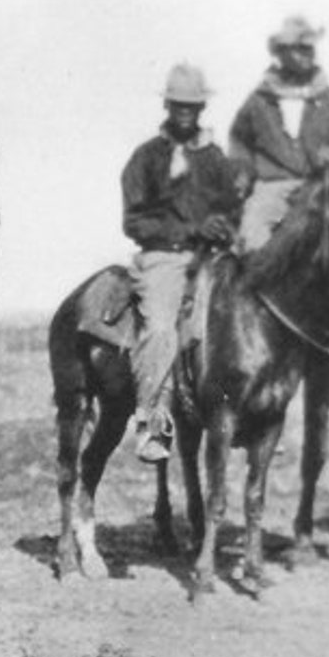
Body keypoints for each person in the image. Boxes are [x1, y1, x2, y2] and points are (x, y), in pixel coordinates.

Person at [122, 63, 242, 464]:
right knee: (160, 327)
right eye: (180, 104)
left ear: (202, 107)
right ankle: (151, 424)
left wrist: (225, 224)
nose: (187, 111)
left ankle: (254, 412)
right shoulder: (147, 157)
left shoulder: (214, 157)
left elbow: (231, 205)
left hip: (214, 255)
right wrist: (192, 228)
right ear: (169, 105)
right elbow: (134, 220)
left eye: (194, 105)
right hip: (166, 256)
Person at [230, 15, 329, 252]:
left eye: (309, 48)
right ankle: (259, 288)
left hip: (319, 185)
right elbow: (239, 141)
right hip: (273, 186)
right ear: (282, 54)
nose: (307, 54)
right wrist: (243, 171)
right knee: (252, 236)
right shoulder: (260, 100)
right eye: (299, 49)